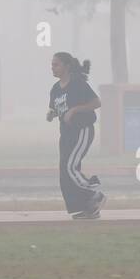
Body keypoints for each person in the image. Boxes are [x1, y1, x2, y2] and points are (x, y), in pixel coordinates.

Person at [47, 52, 106, 219]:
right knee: (64, 173)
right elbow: (54, 108)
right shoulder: (55, 89)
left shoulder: (77, 84)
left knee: (70, 167)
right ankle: (86, 208)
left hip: (82, 130)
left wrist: (75, 110)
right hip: (66, 133)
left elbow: (97, 103)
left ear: (66, 66)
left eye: (56, 64)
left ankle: (94, 193)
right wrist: (51, 114)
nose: (52, 67)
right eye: (52, 65)